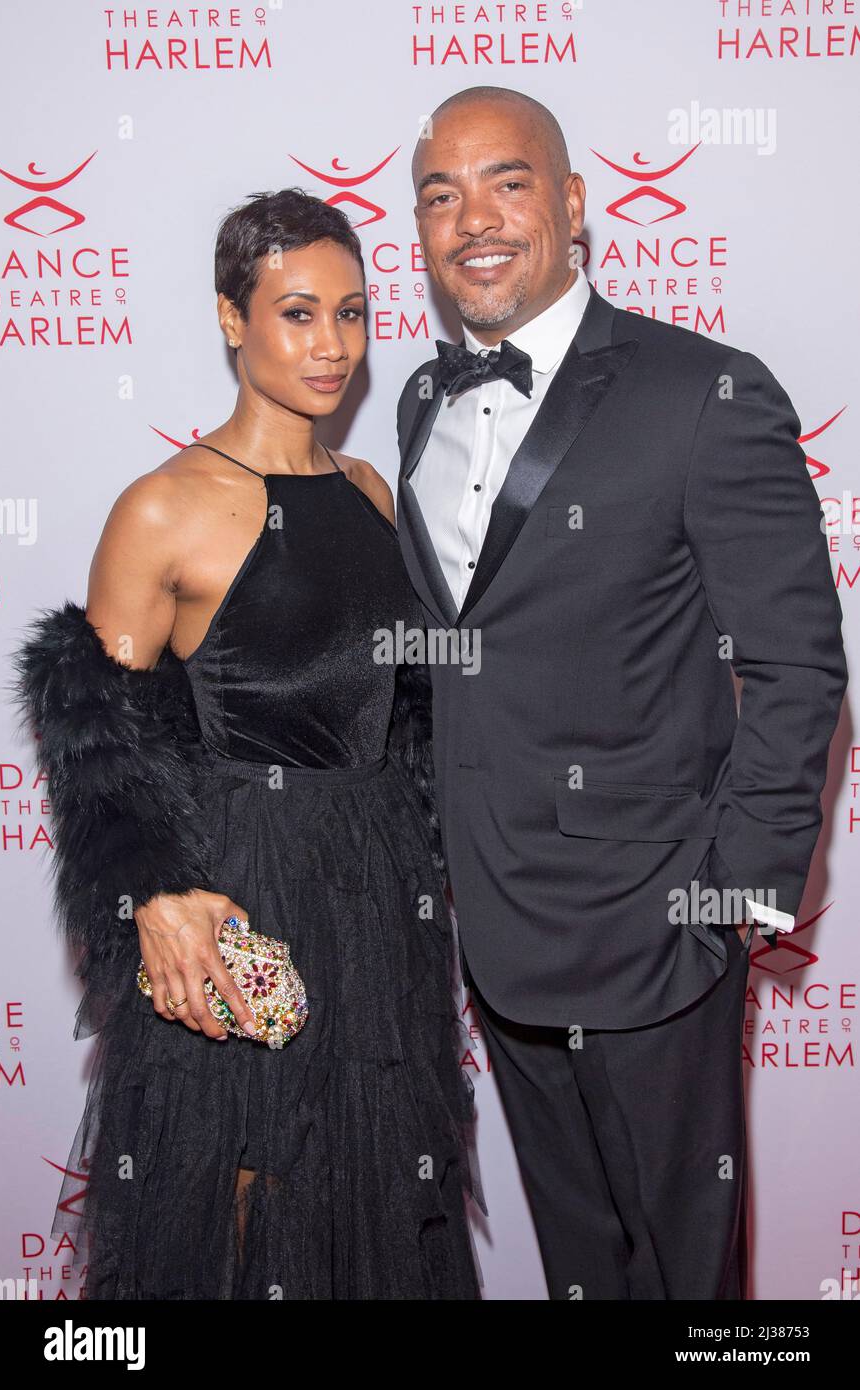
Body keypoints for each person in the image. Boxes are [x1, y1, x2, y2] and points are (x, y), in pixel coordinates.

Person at [395, 85, 848, 1299]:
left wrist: (737, 894)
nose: (472, 218)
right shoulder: (422, 400)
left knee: (689, 1278)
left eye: (507, 181)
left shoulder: (701, 393)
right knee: (579, 1265)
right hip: (492, 924)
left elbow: (795, 661)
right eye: (440, 194)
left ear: (575, 204)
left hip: (656, 931)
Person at [10, 187, 483, 1301]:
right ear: (232, 318)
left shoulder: (370, 490)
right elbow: (99, 742)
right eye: (297, 313)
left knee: (373, 1196)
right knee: (240, 1197)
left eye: (353, 314)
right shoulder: (163, 507)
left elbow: (410, 711)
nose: (331, 346)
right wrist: (155, 897)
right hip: (240, 892)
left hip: (380, 896)